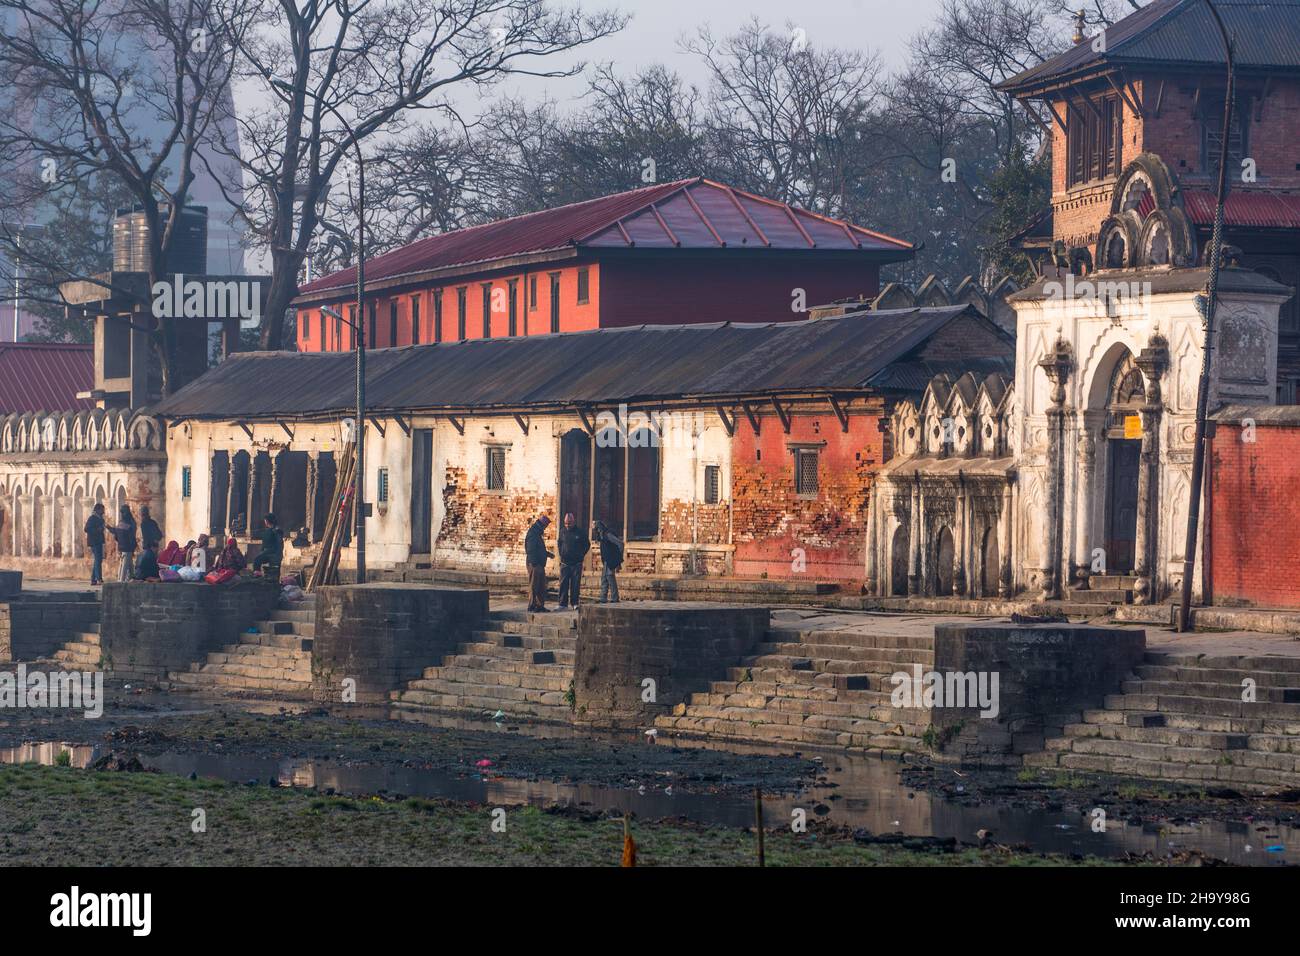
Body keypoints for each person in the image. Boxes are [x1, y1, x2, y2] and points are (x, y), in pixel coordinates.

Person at [556, 512, 590, 609]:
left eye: (569, 523)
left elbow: (587, 545)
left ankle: (575, 603)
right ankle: (562, 604)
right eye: (566, 523)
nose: (567, 525)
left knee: (575, 585)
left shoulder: (580, 532)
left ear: (573, 522)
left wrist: (580, 555)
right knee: (563, 584)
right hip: (565, 562)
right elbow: (559, 543)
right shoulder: (562, 531)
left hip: (576, 563)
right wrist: (561, 553)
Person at [523, 514, 553, 612]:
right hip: (535, 564)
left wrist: (547, 554)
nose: (546, 527)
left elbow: (539, 549)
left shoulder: (536, 532)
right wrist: (535, 563)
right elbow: (531, 549)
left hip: (539, 563)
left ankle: (539, 606)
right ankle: (532, 605)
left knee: (541, 585)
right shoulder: (533, 533)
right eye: (546, 525)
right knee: (534, 585)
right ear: (543, 524)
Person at [594, 519, 624, 604]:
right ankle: (603, 598)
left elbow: (620, 544)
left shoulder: (608, 535)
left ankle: (615, 598)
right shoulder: (602, 536)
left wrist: (618, 557)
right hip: (606, 560)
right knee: (604, 578)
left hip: (611, 559)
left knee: (610, 577)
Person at [108, 505, 137, 582]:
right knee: (127, 565)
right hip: (123, 547)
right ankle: (130, 578)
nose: (122, 514)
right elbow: (116, 533)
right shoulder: (124, 522)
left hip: (127, 547)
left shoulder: (130, 522)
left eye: (123, 512)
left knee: (124, 566)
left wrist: (132, 547)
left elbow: (131, 536)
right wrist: (109, 528)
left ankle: (121, 581)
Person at [84, 503, 106, 585]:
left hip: (99, 542)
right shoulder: (92, 518)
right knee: (98, 560)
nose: (103, 511)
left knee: (98, 560)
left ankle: (93, 579)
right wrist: (97, 530)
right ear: (97, 510)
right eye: (102, 509)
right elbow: (86, 529)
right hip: (94, 542)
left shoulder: (101, 519)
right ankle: (99, 578)